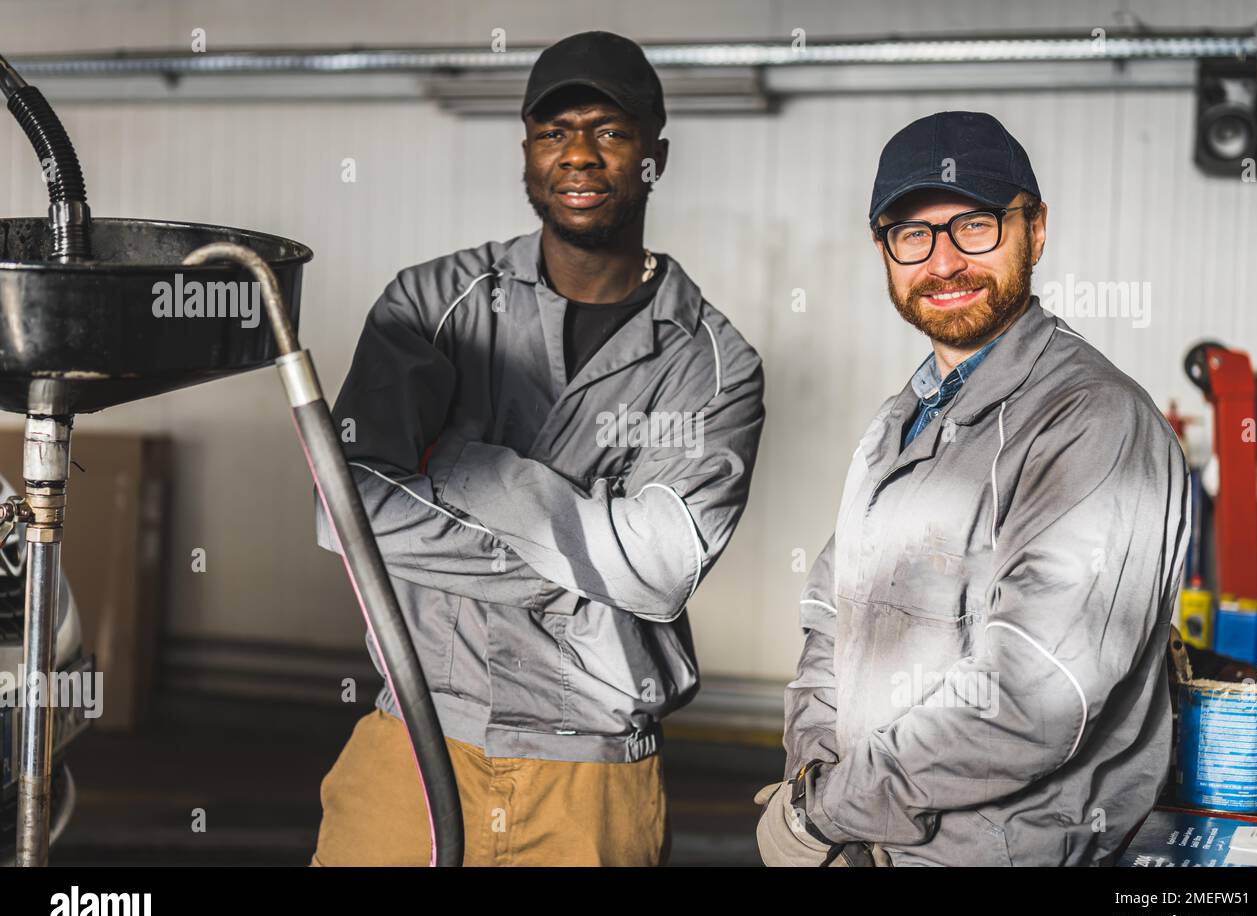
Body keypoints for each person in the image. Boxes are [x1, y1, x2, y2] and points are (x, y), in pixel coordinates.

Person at [309, 31, 764, 867]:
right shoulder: (429, 306)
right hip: (413, 739)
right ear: (527, 149)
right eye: (555, 132)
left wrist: (453, 467)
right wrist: (587, 571)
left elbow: (661, 567)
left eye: (609, 130)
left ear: (655, 155)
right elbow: (346, 512)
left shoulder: (712, 364)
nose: (579, 155)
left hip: (589, 774)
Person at [756, 111, 1189, 867]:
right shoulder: (904, 418)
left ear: (1036, 230)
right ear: (885, 252)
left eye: (976, 226)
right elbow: (832, 620)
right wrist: (814, 782)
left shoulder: (1094, 423)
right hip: (871, 844)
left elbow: (1031, 697)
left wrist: (824, 812)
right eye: (913, 235)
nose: (945, 261)